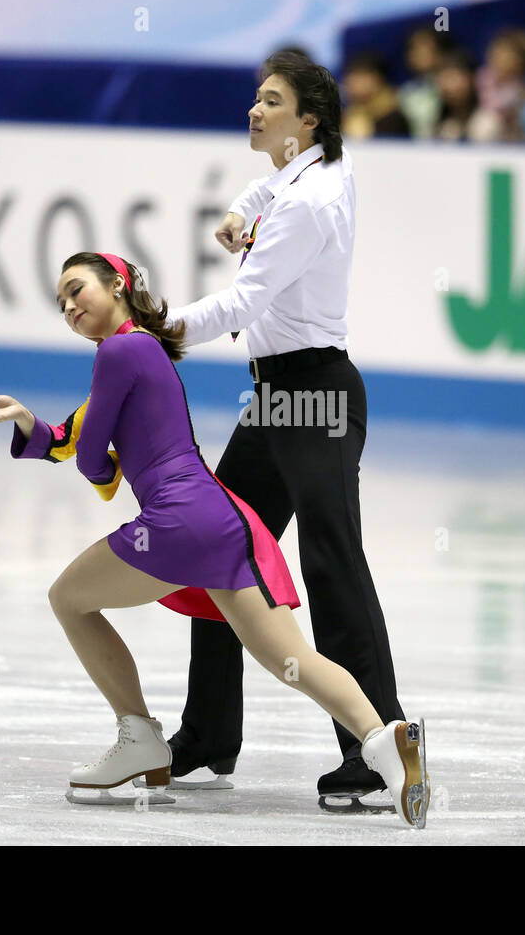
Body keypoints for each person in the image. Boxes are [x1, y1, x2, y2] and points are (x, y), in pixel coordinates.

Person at [0, 250, 430, 827]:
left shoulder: (118, 350)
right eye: (60, 301)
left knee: (68, 599)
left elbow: (87, 453)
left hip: (175, 520)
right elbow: (76, 431)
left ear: (117, 285)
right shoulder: (141, 348)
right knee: (288, 657)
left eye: (76, 289)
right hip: (219, 519)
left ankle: (138, 737)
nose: (68, 306)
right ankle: (385, 741)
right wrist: (28, 420)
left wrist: (106, 471)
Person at [161, 50, 409, 809]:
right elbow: (268, 184)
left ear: (309, 119)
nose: (254, 110)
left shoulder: (307, 203)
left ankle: (376, 748)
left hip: (316, 400)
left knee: (332, 564)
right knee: (216, 548)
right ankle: (207, 734)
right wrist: (240, 210)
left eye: (271, 101)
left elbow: (238, 307)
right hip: (277, 402)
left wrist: (157, 330)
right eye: (255, 98)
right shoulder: (315, 171)